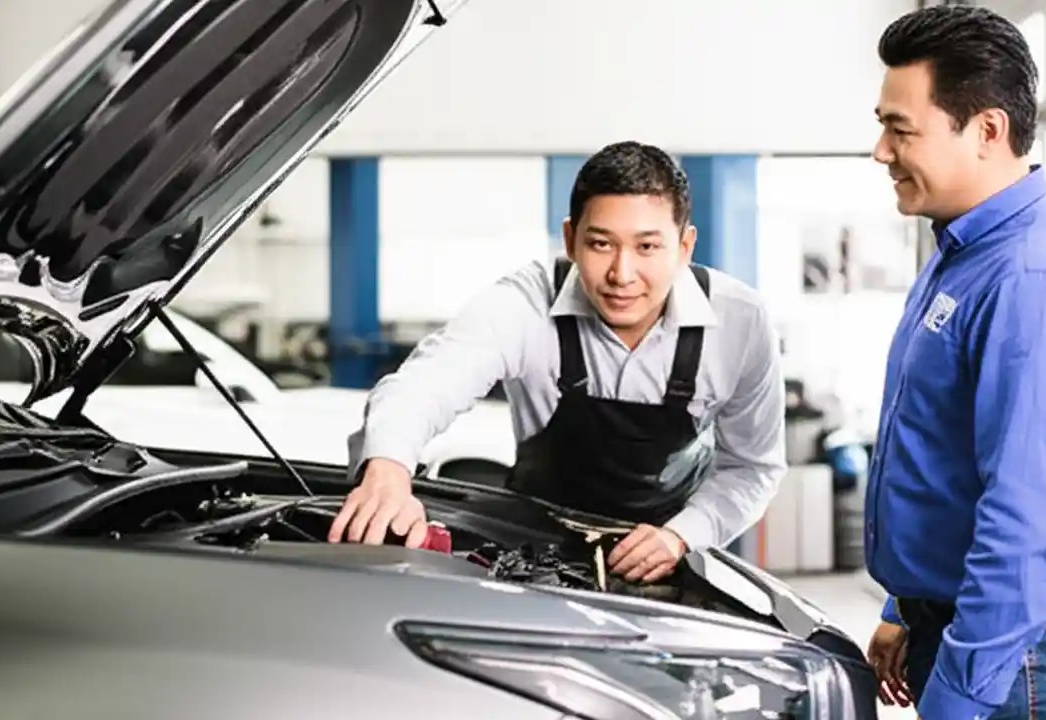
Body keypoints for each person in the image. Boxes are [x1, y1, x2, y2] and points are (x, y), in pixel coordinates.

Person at [327, 140, 787, 583]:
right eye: (601, 244)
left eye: (647, 247)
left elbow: (752, 467)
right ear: (570, 238)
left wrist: (683, 536)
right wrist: (387, 470)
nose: (621, 275)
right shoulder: (524, 304)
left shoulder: (739, 322)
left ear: (684, 247)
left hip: (668, 561)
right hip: (533, 560)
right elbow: (425, 384)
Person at [864, 6, 1046, 719]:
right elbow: (941, 460)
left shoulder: (1033, 280)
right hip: (964, 628)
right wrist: (906, 603)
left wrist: (956, 700)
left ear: (986, 130)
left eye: (900, 128)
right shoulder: (964, 256)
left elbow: (1024, 517)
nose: (881, 151)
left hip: (1024, 660)